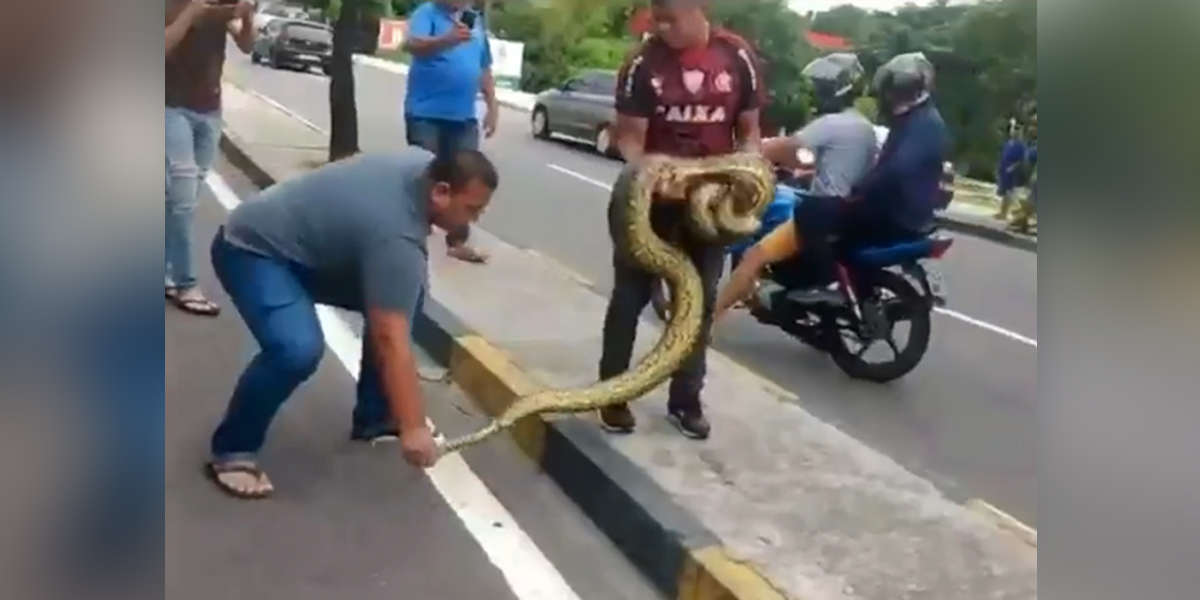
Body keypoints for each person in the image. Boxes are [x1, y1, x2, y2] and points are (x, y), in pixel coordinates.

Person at [205, 149, 498, 499]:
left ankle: (377, 416)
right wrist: (415, 427)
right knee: (297, 349)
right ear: (441, 192)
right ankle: (233, 450)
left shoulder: (423, 163)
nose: (474, 220)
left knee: (405, 295)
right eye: (471, 209)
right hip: (251, 249)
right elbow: (390, 336)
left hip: (307, 250)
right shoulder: (395, 236)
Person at [597, 0, 764, 440]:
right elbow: (630, 140)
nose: (662, 25)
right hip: (649, 203)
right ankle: (612, 394)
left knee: (698, 305)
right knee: (629, 299)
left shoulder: (737, 57)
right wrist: (653, 171)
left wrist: (747, 170)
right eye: (658, 16)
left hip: (708, 206)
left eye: (671, 15)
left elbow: (749, 131)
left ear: (700, 7)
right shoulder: (641, 63)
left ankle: (685, 401)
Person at [715, 52, 949, 320]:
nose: (813, 95)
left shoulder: (835, 124)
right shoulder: (869, 126)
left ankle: (705, 327)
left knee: (761, 250)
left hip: (879, 212)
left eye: (817, 89)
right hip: (898, 213)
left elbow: (785, 148)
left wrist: (739, 154)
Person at [165, 0, 256, 316]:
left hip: (210, 111)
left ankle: (165, 269)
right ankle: (186, 282)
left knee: (182, 196)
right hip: (169, 105)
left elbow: (247, 46)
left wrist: (247, 16)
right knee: (183, 196)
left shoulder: (221, 7)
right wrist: (192, 12)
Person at [402, 0, 498, 264]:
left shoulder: (475, 20)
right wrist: (447, 39)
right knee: (424, 177)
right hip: (426, 113)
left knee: (467, 180)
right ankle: (412, 236)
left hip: (463, 116)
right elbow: (411, 45)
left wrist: (492, 106)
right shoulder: (427, 13)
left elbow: (484, 67)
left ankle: (457, 241)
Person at [994, 120, 1029, 221]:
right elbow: (1003, 157)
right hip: (1004, 169)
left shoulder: (1021, 146)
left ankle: (1005, 213)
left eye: (1017, 130)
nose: (1014, 132)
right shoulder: (1008, 143)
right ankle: (1001, 212)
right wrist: (999, 169)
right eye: (1014, 129)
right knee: (1003, 192)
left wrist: (1013, 167)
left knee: (1009, 193)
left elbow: (1022, 160)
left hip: (1013, 172)